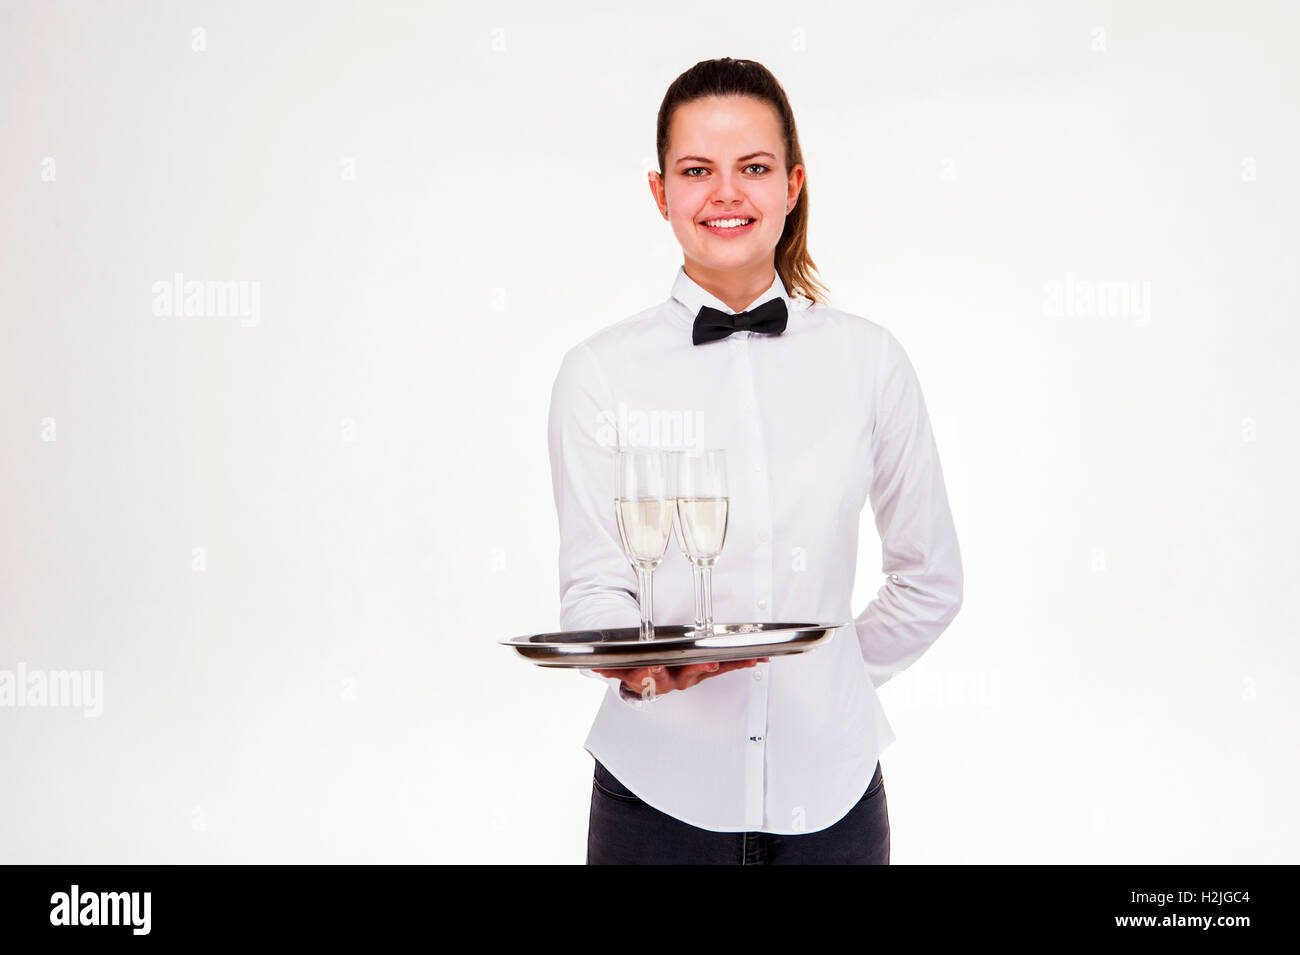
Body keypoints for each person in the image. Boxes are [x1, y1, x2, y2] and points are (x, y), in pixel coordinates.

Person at [546, 57, 963, 865]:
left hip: (835, 803)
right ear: (660, 192)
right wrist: (636, 668)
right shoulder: (597, 373)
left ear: (793, 183)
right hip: (655, 802)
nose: (726, 193)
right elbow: (594, 585)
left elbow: (930, 578)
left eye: (754, 168)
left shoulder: (871, 361)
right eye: (697, 170)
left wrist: (826, 683)